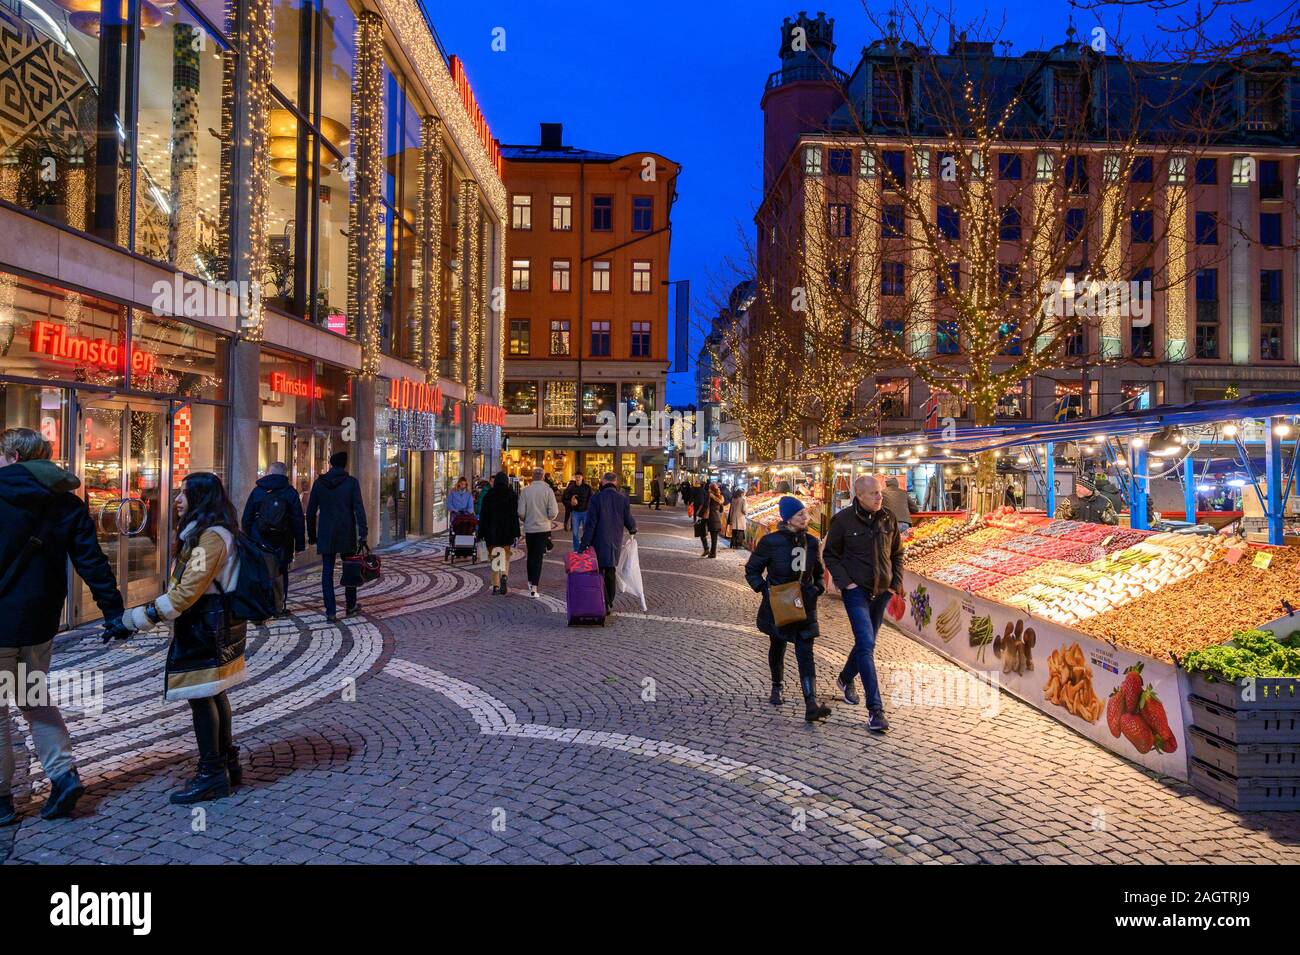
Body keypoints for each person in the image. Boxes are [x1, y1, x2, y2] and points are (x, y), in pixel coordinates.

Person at [0, 428, 125, 825]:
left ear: (14, 458)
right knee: (34, 699)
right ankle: (63, 774)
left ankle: (1, 801)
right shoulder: (67, 503)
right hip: (38, 624)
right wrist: (113, 612)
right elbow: (91, 561)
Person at [120, 472, 247, 804]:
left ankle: (212, 773)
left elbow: (187, 591)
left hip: (206, 626)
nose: (177, 499)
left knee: (202, 696)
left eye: (184, 493)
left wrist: (139, 618)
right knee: (213, 693)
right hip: (212, 623)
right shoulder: (208, 533)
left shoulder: (212, 538)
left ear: (202, 498)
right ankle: (225, 764)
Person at [824, 475, 903, 734]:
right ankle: (876, 710)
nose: (879, 497)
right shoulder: (843, 520)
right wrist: (846, 583)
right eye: (873, 494)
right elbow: (830, 555)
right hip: (856, 591)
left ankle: (845, 679)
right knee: (867, 645)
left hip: (882, 591)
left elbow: (897, 553)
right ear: (859, 495)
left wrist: (894, 583)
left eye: (880, 493)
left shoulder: (888, 518)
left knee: (864, 643)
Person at [745, 496, 830, 722]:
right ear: (788, 518)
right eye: (801, 514)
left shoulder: (812, 542)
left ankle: (811, 703)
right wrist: (765, 590)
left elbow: (819, 571)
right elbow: (752, 570)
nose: (806, 517)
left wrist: (818, 588)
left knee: (806, 651)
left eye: (806, 513)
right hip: (779, 604)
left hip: (805, 604)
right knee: (777, 644)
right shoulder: (770, 542)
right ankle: (777, 685)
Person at [306, 450, 368, 622]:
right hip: (346, 532)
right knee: (350, 568)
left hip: (326, 533)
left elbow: (310, 512)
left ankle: (330, 611)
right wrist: (363, 532)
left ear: (331, 464)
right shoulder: (351, 483)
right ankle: (350, 605)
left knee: (327, 572)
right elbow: (359, 509)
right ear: (345, 464)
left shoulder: (319, 484)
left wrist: (311, 535)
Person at [240, 461, 305, 617]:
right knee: (281, 573)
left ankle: (260, 607)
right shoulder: (290, 492)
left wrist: (248, 539)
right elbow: (298, 520)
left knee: (260, 572)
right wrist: (300, 544)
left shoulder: (257, 492)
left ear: (269, 473)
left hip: (259, 540)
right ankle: (279, 607)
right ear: (285, 474)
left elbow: (246, 518)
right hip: (283, 541)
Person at [580, 471, 637, 614]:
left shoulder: (596, 498)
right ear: (616, 482)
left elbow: (590, 524)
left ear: (603, 481)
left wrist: (584, 543)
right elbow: (628, 519)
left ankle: (601, 601)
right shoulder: (622, 499)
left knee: (598, 572)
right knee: (610, 571)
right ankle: (609, 601)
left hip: (598, 541)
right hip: (614, 541)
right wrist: (632, 529)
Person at [518, 467, 558, 598]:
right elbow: (553, 512)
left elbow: (521, 512)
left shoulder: (525, 491)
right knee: (538, 557)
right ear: (542, 477)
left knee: (531, 555)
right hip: (543, 528)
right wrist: (547, 519)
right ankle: (534, 586)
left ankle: (530, 581)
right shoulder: (548, 491)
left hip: (530, 528)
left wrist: (526, 519)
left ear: (532, 477)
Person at [478, 472, 520, 594]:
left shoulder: (489, 496)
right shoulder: (511, 495)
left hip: (492, 533)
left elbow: (483, 516)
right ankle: (504, 576)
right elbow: (514, 516)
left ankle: (496, 586)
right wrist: (516, 533)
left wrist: (480, 533)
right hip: (506, 533)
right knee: (505, 556)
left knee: (495, 558)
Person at [567, 472, 592, 552]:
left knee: (586, 531)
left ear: (582, 477)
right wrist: (571, 502)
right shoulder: (571, 488)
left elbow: (591, 499)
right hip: (575, 513)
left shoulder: (587, 487)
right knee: (575, 532)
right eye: (576, 477)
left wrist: (589, 508)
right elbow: (565, 498)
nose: (577, 478)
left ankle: (585, 546)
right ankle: (576, 549)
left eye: (579, 477)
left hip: (585, 512)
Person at [702, 480, 725, 558]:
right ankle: (713, 553)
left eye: (709, 488)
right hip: (717, 518)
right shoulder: (721, 497)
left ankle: (707, 549)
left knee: (702, 533)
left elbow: (705, 506)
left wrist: (700, 514)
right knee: (714, 537)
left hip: (709, 517)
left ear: (711, 489)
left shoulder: (709, 496)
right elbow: (721, 510)